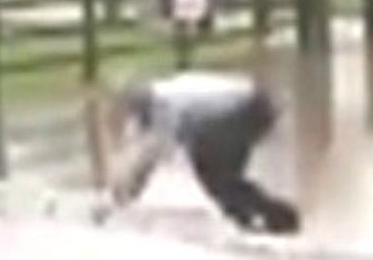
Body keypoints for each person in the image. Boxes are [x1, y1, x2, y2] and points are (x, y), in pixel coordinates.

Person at [110, 71, 301, 234]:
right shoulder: (167, 91)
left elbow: (151, 155)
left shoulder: (162, 106)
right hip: (250, 101)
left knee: (218, 178)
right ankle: (258, 220)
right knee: (219, 177)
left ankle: (274, 219)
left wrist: (121, 201)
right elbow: (144, 147)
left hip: (238, 110)